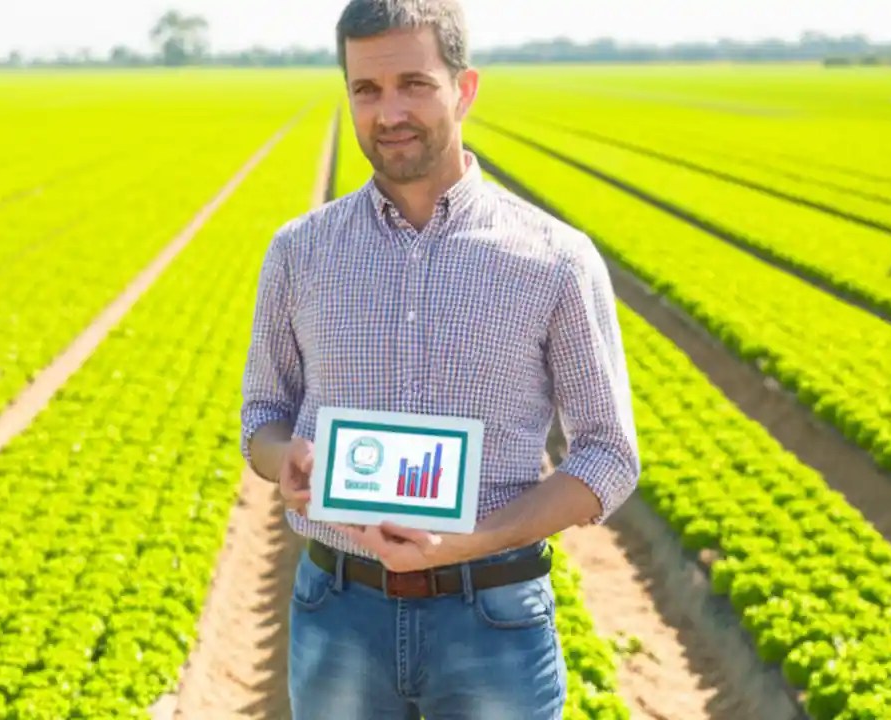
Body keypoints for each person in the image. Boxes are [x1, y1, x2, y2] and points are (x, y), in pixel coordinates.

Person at [239, 0, 640, 717]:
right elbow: (263, 418)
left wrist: (468, 541)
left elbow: (607, 456)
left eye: (413, 84)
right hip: (337, 609)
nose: (389, 111)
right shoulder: (298, 252)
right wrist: (285, 461)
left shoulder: (554, 260)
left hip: (493, 618)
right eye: (366, 90)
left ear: (465, 88)